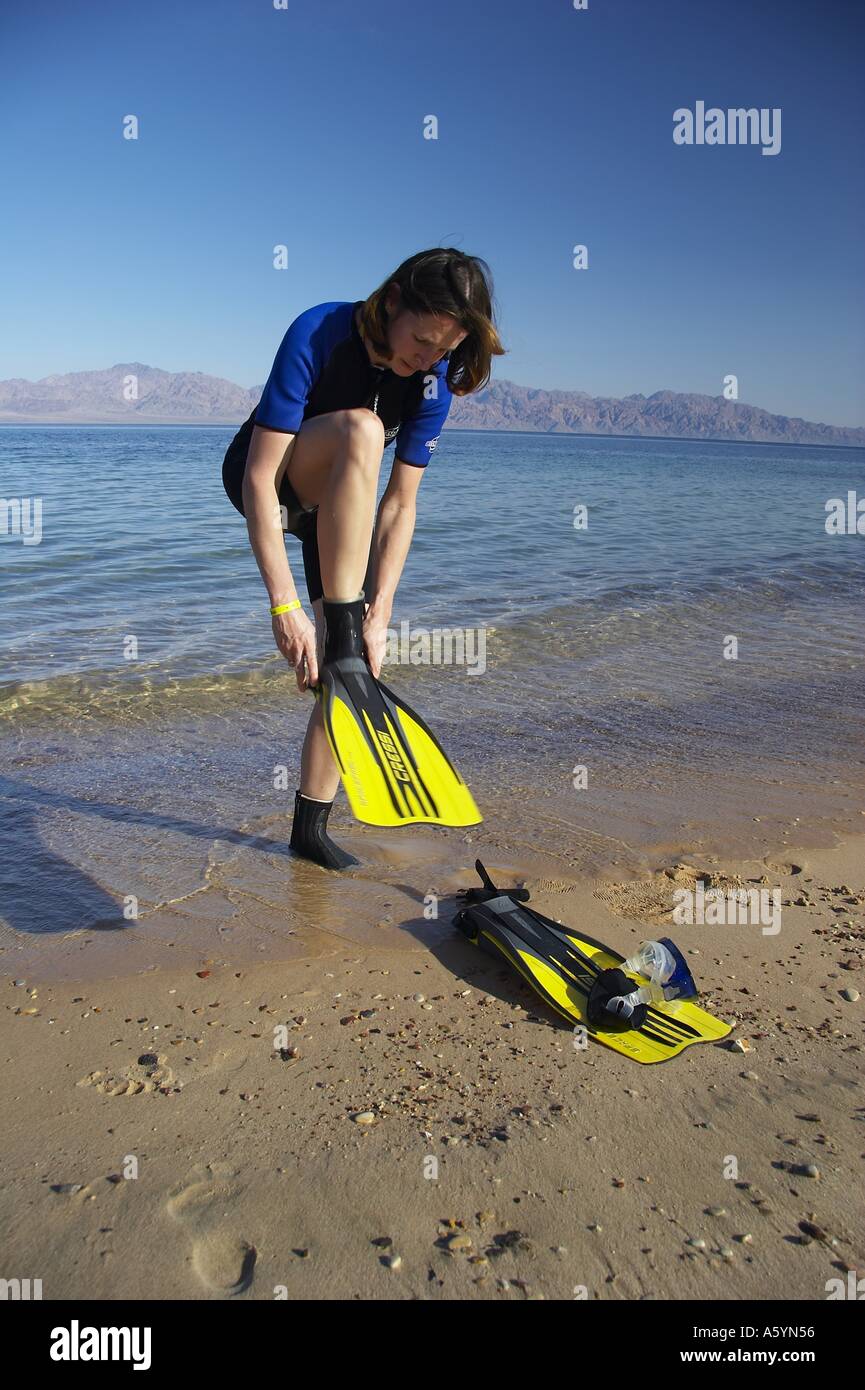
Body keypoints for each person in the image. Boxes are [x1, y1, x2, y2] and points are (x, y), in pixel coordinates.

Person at [222, 247, 504, 868]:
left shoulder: (433, 380)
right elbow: (259, 479)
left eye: (443, 350)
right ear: (393, 301)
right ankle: (337, 631)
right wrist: (284, 605)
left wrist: (379, 617)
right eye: (423, 340)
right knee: (364, 430)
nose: (427, 359)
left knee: (350, 658)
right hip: (275, 481)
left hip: (337, 508)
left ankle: (310, 827)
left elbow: (400, 506)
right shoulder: (319, 330)